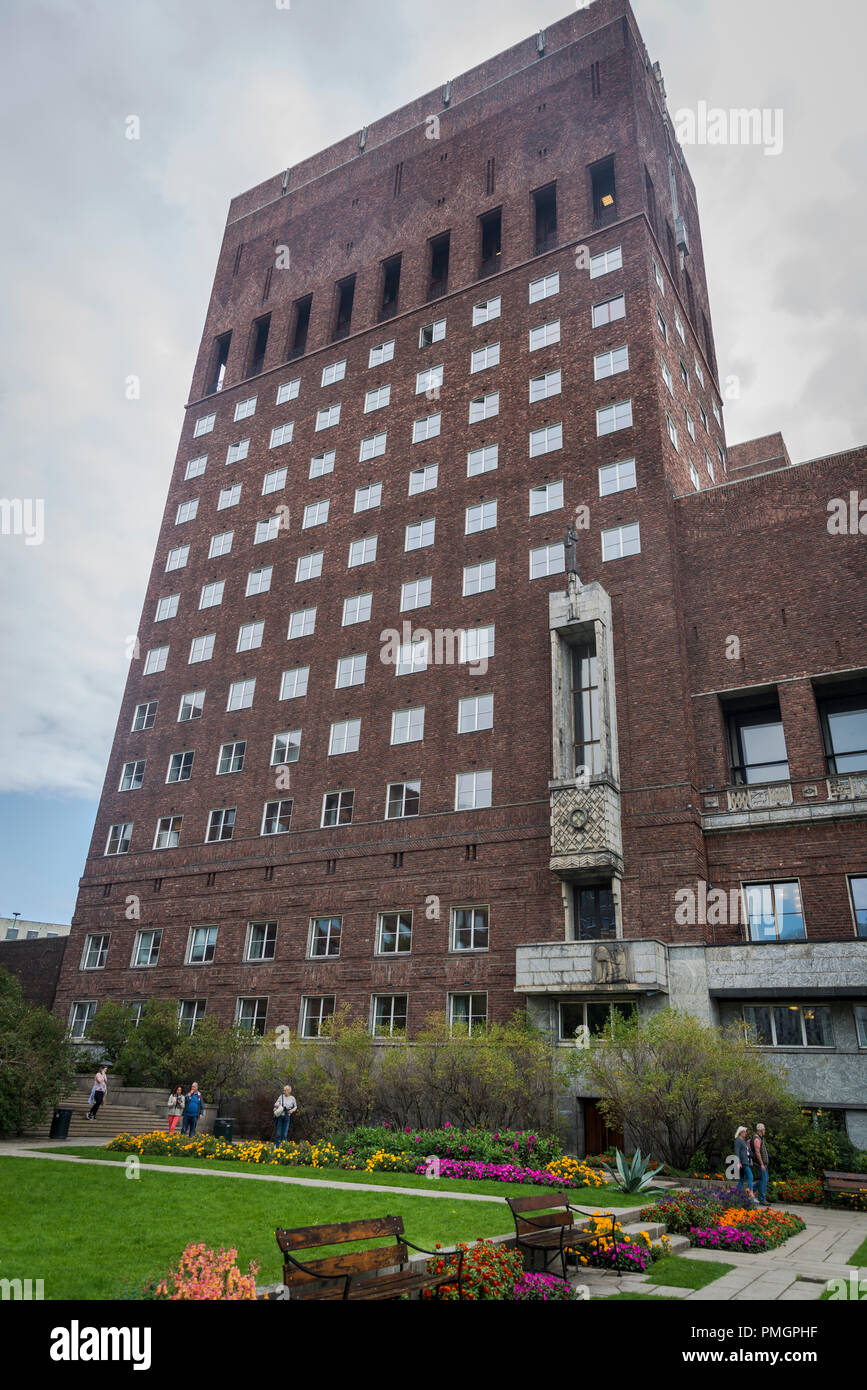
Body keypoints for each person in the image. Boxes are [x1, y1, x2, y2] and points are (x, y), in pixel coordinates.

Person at [734, 1125, 760, 1206]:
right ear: (740, 1132)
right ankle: (750, 1194)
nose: (746, 1133)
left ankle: (736, 1194)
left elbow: (746, 1152)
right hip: (743, 1162)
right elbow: (737, 1152)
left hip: (745, 1162)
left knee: (742, 1179)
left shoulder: (743, 1141)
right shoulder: (738, 1140)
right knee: (751, 1176)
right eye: (744, 1132)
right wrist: (738, 1162)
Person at [752, 1123, 771, 1204]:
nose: (765, 1131)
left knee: (765, 1180)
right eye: (764, 1129)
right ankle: (762, 1199)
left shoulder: (760, 1138)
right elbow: (757, 1152)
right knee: (763, 1180)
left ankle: (751, 1189)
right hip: (760, 1164)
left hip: (763, 1164)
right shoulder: (757, 1139)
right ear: (761, 1130)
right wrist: (762, 1164)